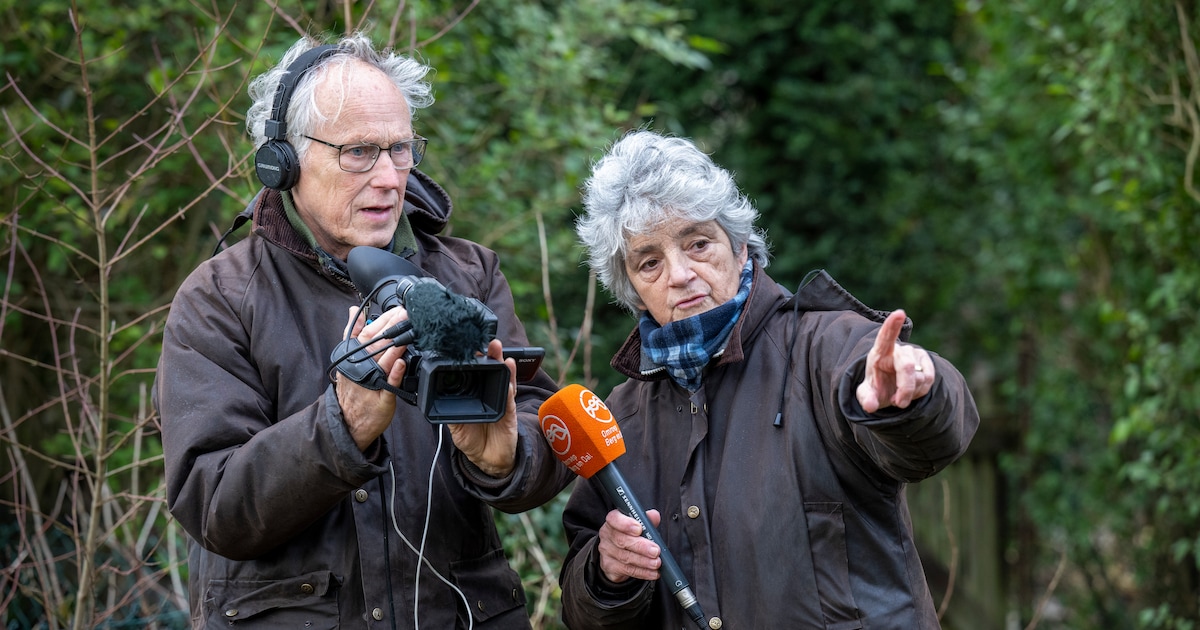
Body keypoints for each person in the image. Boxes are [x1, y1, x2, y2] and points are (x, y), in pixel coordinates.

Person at [155, 33, 573, 629]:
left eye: (400, 150)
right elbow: (214, 504)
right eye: (359, 153)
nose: (388, 178)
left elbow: (541, 429)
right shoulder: (219, 298)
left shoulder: (468, 272)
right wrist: (339, 430)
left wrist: (506, 459)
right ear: (286, 160)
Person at [558, 130, 980, 629]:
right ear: (631, 288)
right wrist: (606, 571)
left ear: (740, 249)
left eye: (698, 243)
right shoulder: (620, 419)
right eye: (649, 262)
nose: (679, 273)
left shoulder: (823, 347)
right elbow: (582, 610)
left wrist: (909, 402)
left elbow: (936, 435)